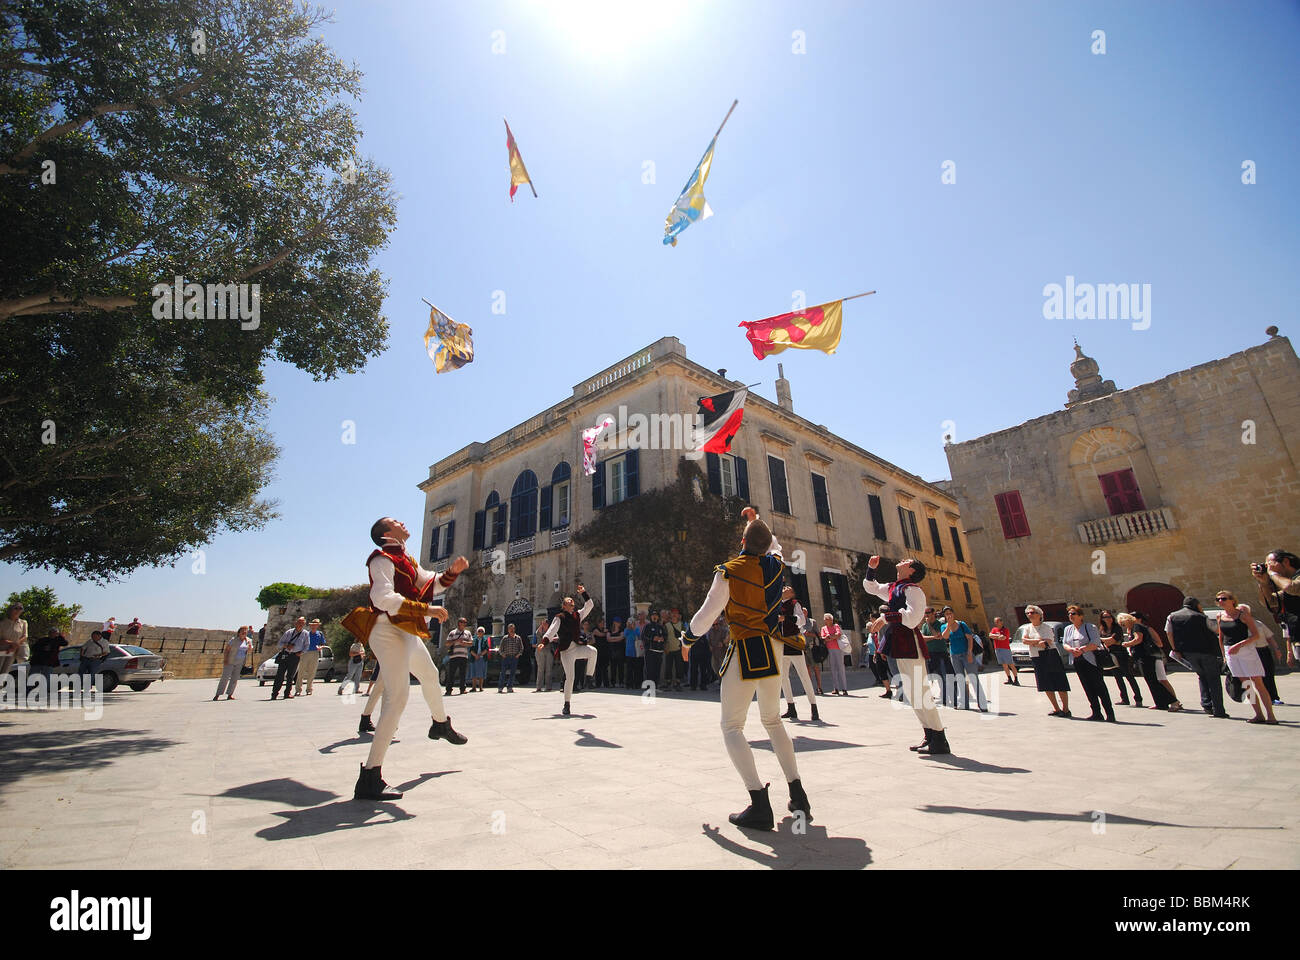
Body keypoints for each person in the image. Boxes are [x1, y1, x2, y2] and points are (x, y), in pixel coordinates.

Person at [683, 509, 811, 829]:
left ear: (741, 540)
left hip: (746, 648)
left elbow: (706, 615)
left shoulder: (729, 571)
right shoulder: (775, 563)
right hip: (773, 646)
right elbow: (776, 548)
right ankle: (798, 794)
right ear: (766, 545)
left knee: (731, 727)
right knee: (773, 720)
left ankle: (758, 803)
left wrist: (687, 640)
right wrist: (757, 522)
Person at [354, 516, 468, 801]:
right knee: (397, 697)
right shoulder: (380, 559)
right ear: (385, 533)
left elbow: (430, 583)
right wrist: (425, 611)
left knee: (429, 675)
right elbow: (382, 598)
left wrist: (451, 572)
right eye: (395, 521)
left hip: (404, 629)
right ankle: (370, 776)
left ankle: (440, 723)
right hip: (385, 629)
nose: (402, 521)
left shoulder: (406, 559)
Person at [863, 555, 948, 755]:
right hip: (899, 643)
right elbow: (872, 588)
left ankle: (939, 737)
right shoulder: (895, 587)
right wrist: (871, 569)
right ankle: (929, 735)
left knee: (920, 690)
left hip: (909, 643)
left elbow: (913, 618)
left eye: (908, 561)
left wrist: (886, 617)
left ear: (911, 571)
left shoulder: (913, 590)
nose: (902, 559)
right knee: (912, 691)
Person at [1215, 594, 1277, 724]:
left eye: (1224, 598)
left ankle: (1271, 715)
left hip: (1246, 650)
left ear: (1232, 600)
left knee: (1258, 683)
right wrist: (1224, 656)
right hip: (1230, 652)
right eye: (1218, 599)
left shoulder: (1242, 615)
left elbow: (1255, 635)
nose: (1221, 601)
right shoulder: (1220, 616)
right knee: (1246, 684)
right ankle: (1258, 714)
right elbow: (1221, 638)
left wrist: (1239, 645)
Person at [1165, 597, 1226, 718]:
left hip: (1187, 652)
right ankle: (1218, 709)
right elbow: (1216, 630)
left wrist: (1175, 649)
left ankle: (1206, 704)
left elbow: (1169, 632)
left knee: (1202, 676)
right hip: (1206, 651)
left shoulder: (1172, 616)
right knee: (1213, 679)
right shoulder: (1201, 617)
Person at [543, 585, 596, 716]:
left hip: (577, 648)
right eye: (569, 603)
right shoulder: (560, 617)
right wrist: (544, 642)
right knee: (570, 678)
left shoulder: (578, 615)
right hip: (566, 652)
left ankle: (589, 678)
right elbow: (551, 631)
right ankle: (567, 704)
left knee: (593, 651)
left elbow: (589, 605)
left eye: (572, 602)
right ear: (564, 606)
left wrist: (584, 592)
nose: (572, 604)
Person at [1062, 605, 1115, 722]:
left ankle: (1109, 713)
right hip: (1077, 660)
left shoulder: (1090, 627)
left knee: (1099, 686)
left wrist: (1082, 650)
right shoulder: (1068, 629)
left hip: (1091, 660)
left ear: (1081, 616)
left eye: (1073, 614)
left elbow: (1095, 643)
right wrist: (1071, 650)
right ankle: (1096, 712)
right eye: (1069, 614)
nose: (1071, 616)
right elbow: (1065, 643)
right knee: (1087, 687)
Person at [1017, 605, 1071, 716]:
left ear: (1039, 615)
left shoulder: (1046, 627)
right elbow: (1024, 640)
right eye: (1028, 613)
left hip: (1050, 656)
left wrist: (1033, 641)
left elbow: (1047, 641)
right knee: (1046, 684)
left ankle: (1066, 709)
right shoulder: (1027, 628)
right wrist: (1038, 641)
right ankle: (1056, 708)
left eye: (1032, 612)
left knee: (1059, 682)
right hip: (1037, 657)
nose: (1030, 615)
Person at [1253, 549, 1300, 672]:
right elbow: (1270, 602)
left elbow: (1291, 587)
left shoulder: (1296, 579)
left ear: (1285, 561)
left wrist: (1273, 574)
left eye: (1270, 564)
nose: (1267, 568)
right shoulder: (1286, 587)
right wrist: (1263, 583)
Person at [776, 586, 819, 721]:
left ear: (792, 593)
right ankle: (791, 707)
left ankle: (813, 707)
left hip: (793, 643)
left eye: (788, 588)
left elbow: (801, 620)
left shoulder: (795, 604)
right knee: (783, 677)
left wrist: (785, 618)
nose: (784, 588)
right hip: (781, 644)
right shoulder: (776, 604)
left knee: (803, 676)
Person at [1117, 612, 1175, 710]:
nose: (1123, 626)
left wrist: (1128, 644)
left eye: (1123, 623)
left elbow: (1138, 639)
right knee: (1151, 681)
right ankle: (1160, 703)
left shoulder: (1136, 627)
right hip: (1144, 657)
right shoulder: (1134, 628)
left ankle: (1173, 701)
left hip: (1146, 656)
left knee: (1154, 680)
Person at [941, 606, 987, 711]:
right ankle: (964, 704)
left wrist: (970, 653)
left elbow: (970, 638)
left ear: (953, 613)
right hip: (954, 656)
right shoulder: (944, 626)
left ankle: (982, 704)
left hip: (966, 654)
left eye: (950, 613)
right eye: (946, 614)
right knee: (960, 679)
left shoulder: (962, 624)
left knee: (973, 678)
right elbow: (945, 637)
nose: (949, 615)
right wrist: (948, 625)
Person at [1237, 603, 1282, 705]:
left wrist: (1277, 649)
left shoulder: (1258, 623)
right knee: (1249, 678)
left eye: (1244, 611)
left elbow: (1269, 637)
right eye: (1240, 611)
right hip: (1248, 652)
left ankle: (1273, 697)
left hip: (1263, 651)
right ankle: (1251, 699)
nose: (1241, 613)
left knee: (1268, 674)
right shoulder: (1238, 626)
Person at [1098, 609, 1142, 707]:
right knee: (1118, 678)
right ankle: (1124, 699)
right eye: (1105, 617)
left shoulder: (1116, 628)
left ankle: (1138, 698)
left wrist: (1102, 640)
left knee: (1129, 676)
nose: (1107, 619)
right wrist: (1106, 641)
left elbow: (1113, 640)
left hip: (1121, 654)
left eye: (1109, 616)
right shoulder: (1102, 629)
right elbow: (1107, 641)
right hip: (1110, 655)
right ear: (1102, 619)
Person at [919, 607, 951, 707]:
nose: (926, 615)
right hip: (929, 654)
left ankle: (945, 698)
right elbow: (923, 638)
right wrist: (934, 638)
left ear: (933, 613)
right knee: (932, 677)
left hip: (941, 653)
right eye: (925, 613)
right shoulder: (924, 625)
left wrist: (929, 625)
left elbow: (939, 635)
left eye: (928, 613)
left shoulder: (940, 624)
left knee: (943, 676)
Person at [271, 616, 309, 700]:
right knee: (280, 675)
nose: (300, 624)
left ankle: (287, 693)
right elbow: (279, 644)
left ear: (304, 624)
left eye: (302, 623)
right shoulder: (289, 632)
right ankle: (274, 693)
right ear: (296, 623)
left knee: (290, 676)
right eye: (299, 622)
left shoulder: (305, 633)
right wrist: (287, 646)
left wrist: (301, 653)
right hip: (286, 654)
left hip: (295, 656)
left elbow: (306, 645)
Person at [214, 626, 252, 700]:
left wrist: (250, 647)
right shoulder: (233, 640)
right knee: (225, 678)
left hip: (240, 662)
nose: (244, 633)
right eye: (243, 631)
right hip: (230, 661)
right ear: (239, 632)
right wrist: (225, 659)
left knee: (235, 679)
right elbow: (227, 650)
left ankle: (230, 694)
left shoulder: (248, 640)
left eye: (246, 632)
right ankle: (218, 694)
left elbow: (249, 651)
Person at [296, 618, 327, 696]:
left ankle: (309, 689)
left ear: (317, 626)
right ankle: (298, 689)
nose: (313, 626)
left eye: (315, 625)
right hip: (305, 653)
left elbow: (323, 643)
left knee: (312, 672)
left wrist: (320, 647)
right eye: (312, 625)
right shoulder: (306, 633)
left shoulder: (320, 634)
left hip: (315, 653)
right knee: (301, 672)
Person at [442, 618, 472, 696]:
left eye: (465, 622)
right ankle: (448, 690)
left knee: (463, 674)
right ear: (459, 623)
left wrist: (465, 643)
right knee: (451, 673)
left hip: (464, 656)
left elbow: (471, 643)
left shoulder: (468, 633)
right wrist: (455, 641)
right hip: (454, 656)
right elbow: (447, 643)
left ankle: (463, 689)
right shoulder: (452, 632)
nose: (464, 624)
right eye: (462, 622)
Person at [822, 613, 849, 696]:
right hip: (830, 649)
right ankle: (836, 688)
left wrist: (830, 637)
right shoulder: (823, 628)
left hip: (838, 649)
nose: (825, 620)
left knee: (841, 667)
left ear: (831, 619)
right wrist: (832, 637)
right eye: (825, 619)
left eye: (827, 619)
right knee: (833, 669)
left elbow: (838, 634)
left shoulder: (836, 626)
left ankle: (844, 688)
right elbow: (823, 637)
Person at [0, 602, 27, 677]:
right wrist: (12, 643)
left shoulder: (23, 623)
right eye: (16, 608)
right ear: (10, 610)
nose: (18, 610)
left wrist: (14, 646)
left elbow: (25, 636)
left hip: (13, 650)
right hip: (2, 649)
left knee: (4, 673)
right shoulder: (2, 623)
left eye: (20, 608)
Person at [988, 616, 1017, 685]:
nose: (996, 623)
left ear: (1001, 622)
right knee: (1004, 665)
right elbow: (990, 635)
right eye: (995, 622)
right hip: (997, 649)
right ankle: (1009, 678)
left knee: (1011, 664)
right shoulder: (994, 629)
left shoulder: (1005, 630)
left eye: (998, 621)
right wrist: (998, 636)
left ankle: (1016, 679)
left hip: (1005, 649)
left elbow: (1003, 638)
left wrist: (995, 636)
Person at [642, 610, 666, 691]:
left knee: (657, 670)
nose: (654, 617)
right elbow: (643, 637)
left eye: (656, 615)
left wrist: (663, 639)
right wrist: (652, 639)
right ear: (651, 617)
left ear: (658, 617)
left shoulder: (661, 627)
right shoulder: (647, 626)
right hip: (650, 651)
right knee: (650, 670)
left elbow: (665, 636)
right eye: (653, 615)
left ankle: (655, 686)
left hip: (659, 652)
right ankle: (649, 687)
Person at [498, 623, 523, 693]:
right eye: (510, 629)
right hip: (506, 657)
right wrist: (502, 654)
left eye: (513, 629)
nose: (512, 630)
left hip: (514, 657)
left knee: (512, 673)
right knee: (503, 672)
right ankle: (500, 687)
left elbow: (521, 648)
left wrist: (518, 654)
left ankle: (510, 687)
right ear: (508, 630)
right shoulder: (505, 638)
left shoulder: (518, 638)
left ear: (514, 629)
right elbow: (500, 648)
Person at [661, 609, 683, 691]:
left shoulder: (682, 625)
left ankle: (678, 683)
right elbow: (664, 636)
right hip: (669, 649)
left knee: (679, 667)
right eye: (673, 613)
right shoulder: (666, 625)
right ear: (670, 615)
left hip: (679, 649)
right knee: (668, 667)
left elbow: (685, 636)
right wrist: (665, 647)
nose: (674, 615)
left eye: (676, 613)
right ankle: (668, 683)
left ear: (678, 615)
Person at [533, 615, 554, 692]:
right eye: (543, 623)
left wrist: (553, 639)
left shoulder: (551, 631)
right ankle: (539, 687)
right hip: (540, 651)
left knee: (549, 669)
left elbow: (557, 638)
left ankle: (548, 686)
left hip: (548, 650)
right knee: (540, 669)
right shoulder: (538, 631)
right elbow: (534, 643)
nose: (544, 625)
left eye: (545, 624)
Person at [468, 626, 491, 692]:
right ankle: (474, 687)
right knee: (474, 672)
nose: (480, 632)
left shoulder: (485, 639)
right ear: (477, 632)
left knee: (481, 673)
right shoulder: (473, 639)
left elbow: (487, 649)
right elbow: (471, 649)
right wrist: (475, 655)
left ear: (483, 633)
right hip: (474, 658)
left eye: (482, 631)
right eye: (479, 631)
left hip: (482, 658)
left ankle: (481, 687)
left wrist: (480, 655)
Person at [605, 618, 625, 688]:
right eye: (617, 622)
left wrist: (612, 639)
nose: (619, 623)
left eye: (619, 622)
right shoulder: (609, 630)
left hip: (620, 651)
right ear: (614, 622)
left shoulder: (622, 630)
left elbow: (622, 637)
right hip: (612, 651)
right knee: (613, 668)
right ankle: (612, 683)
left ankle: (621, 682)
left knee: (620, 668)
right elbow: (608, 639)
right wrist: (617, 639)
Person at [590, 619, 610, 687]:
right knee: (598, 668)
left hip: (605, 651)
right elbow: (600, 634)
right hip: (598, 651)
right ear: (598, 623)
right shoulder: (595, 629)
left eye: (604, 623)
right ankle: (598, 683)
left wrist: (606, 632)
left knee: (605, 668)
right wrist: (606, 633)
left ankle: (606, 684)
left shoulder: (604, 629)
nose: (603, 624)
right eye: (602, 622)